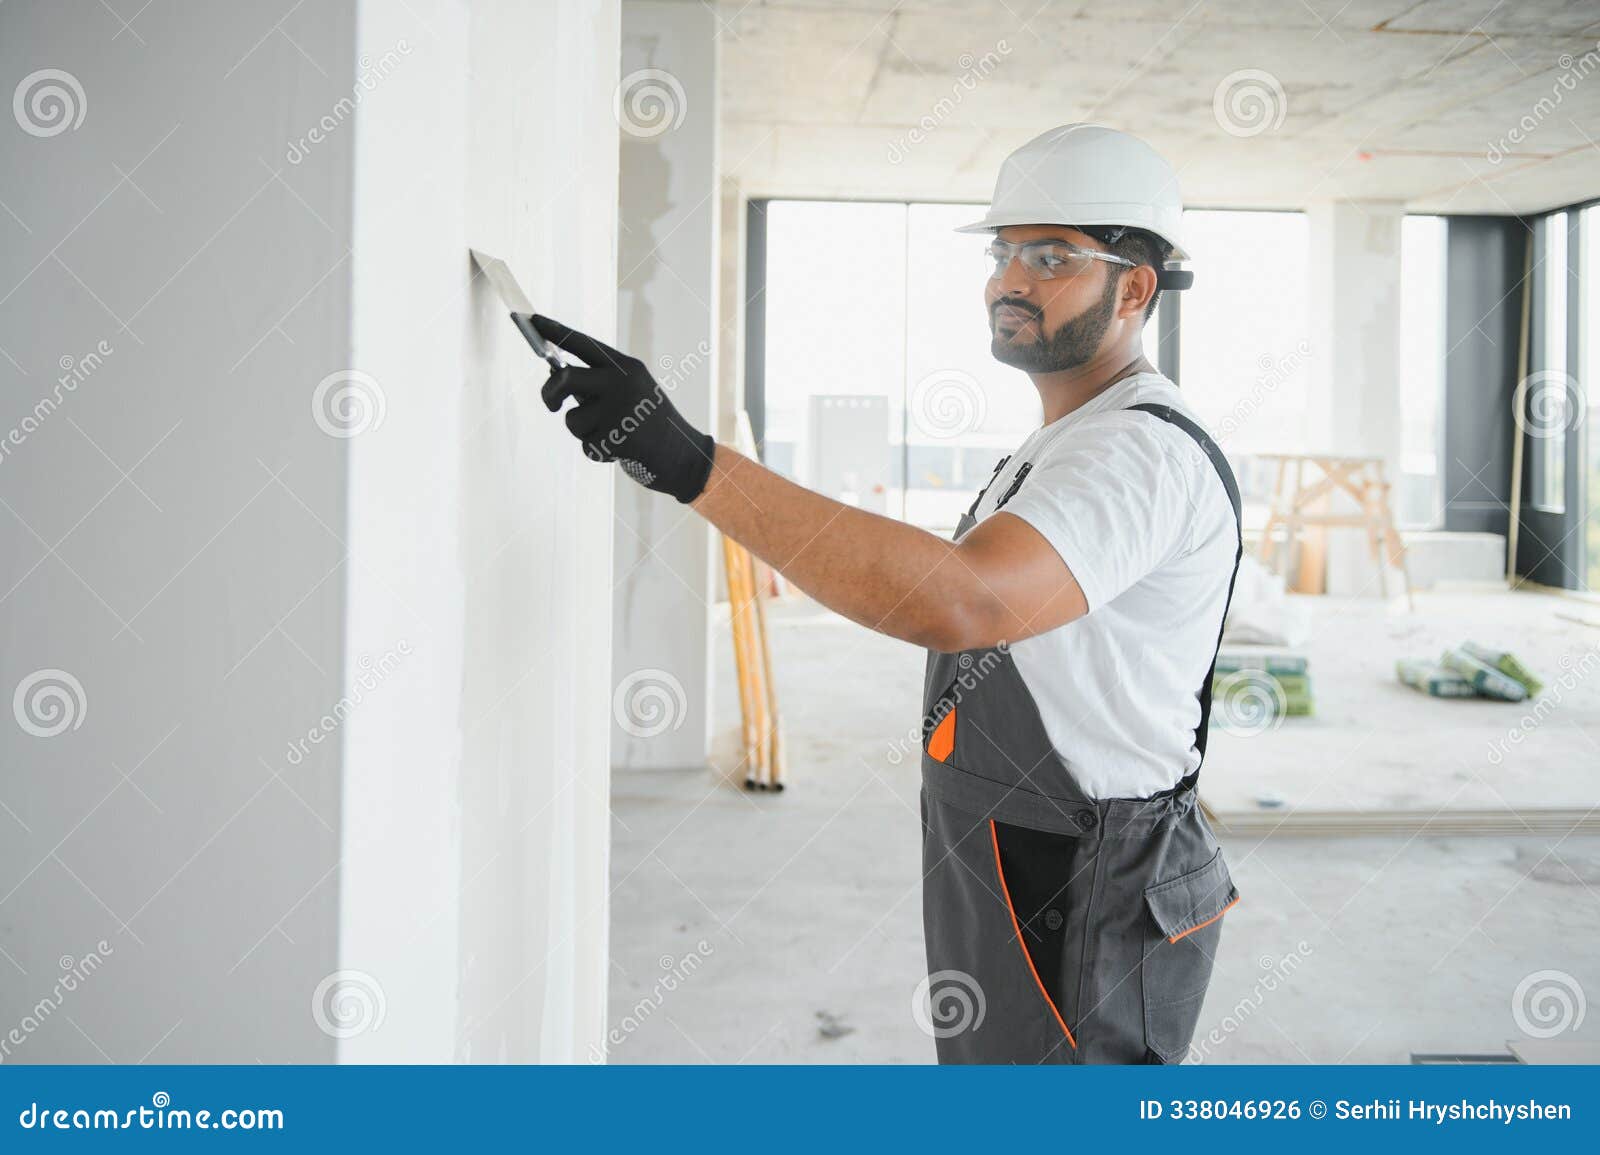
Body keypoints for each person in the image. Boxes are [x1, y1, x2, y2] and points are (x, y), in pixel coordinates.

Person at [536, 124, 1241, 1065]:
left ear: (1137, 289)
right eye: (1002, 252)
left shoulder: (1135, 452)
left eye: (1051, 257)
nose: (1009, 280)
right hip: (1016, 849)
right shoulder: (1066, 438)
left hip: (1084, 875)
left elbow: (965, 602)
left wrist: (690, 461)